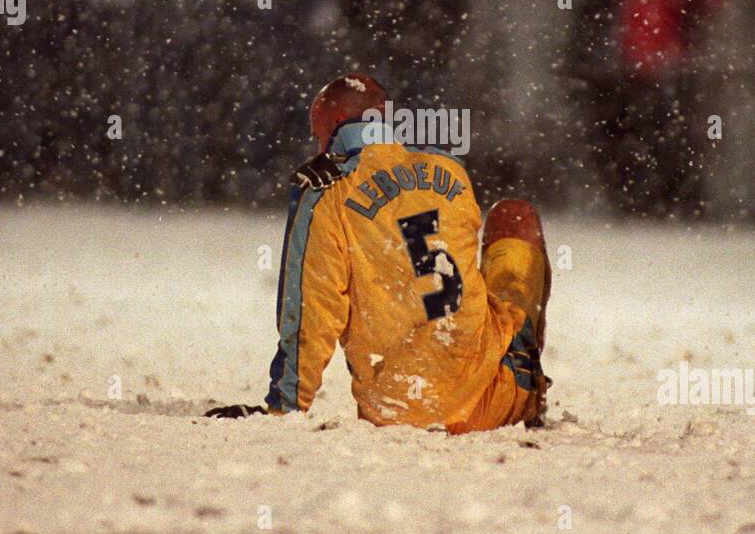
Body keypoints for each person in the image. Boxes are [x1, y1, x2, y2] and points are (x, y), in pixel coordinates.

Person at [207, 73, 552, 433]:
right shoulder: (450, 170)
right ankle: (531, 387)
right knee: (514, 215)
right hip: (493, 396)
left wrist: (283, 407)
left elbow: (314, 309)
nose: (317, 147)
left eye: (317, 135)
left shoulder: (326, 191)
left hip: (398, 410)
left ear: (336, 124)